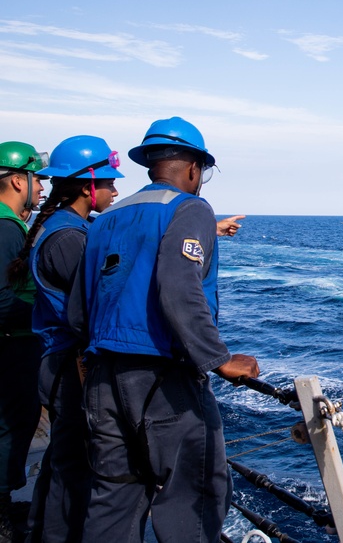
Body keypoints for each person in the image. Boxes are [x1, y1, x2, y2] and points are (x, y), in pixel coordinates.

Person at [68, 117, 259, 542]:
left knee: (113, 497)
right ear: (194, 168)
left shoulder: (104, 219)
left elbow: (79, 312)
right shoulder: (190, 208)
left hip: (103, 378)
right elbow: (179, 287)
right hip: (163, 381)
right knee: (192, 496)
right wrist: (220, 360)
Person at [4, 136, 122, 543]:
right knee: (74, 464)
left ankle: (40, 529)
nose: (114, 189)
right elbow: (91, 306)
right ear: (88, 185)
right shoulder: (69, 239)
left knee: (61, 459)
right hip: (66, 364)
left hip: (54, 360)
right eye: (108, 182)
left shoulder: (64, 227)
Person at [0, 142, 48, 542]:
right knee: (10, 428)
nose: (43, 186)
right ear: (19, 179)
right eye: (39, 178)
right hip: (12, 346)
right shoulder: (4, 229)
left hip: (15, 343)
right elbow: (3, 300)